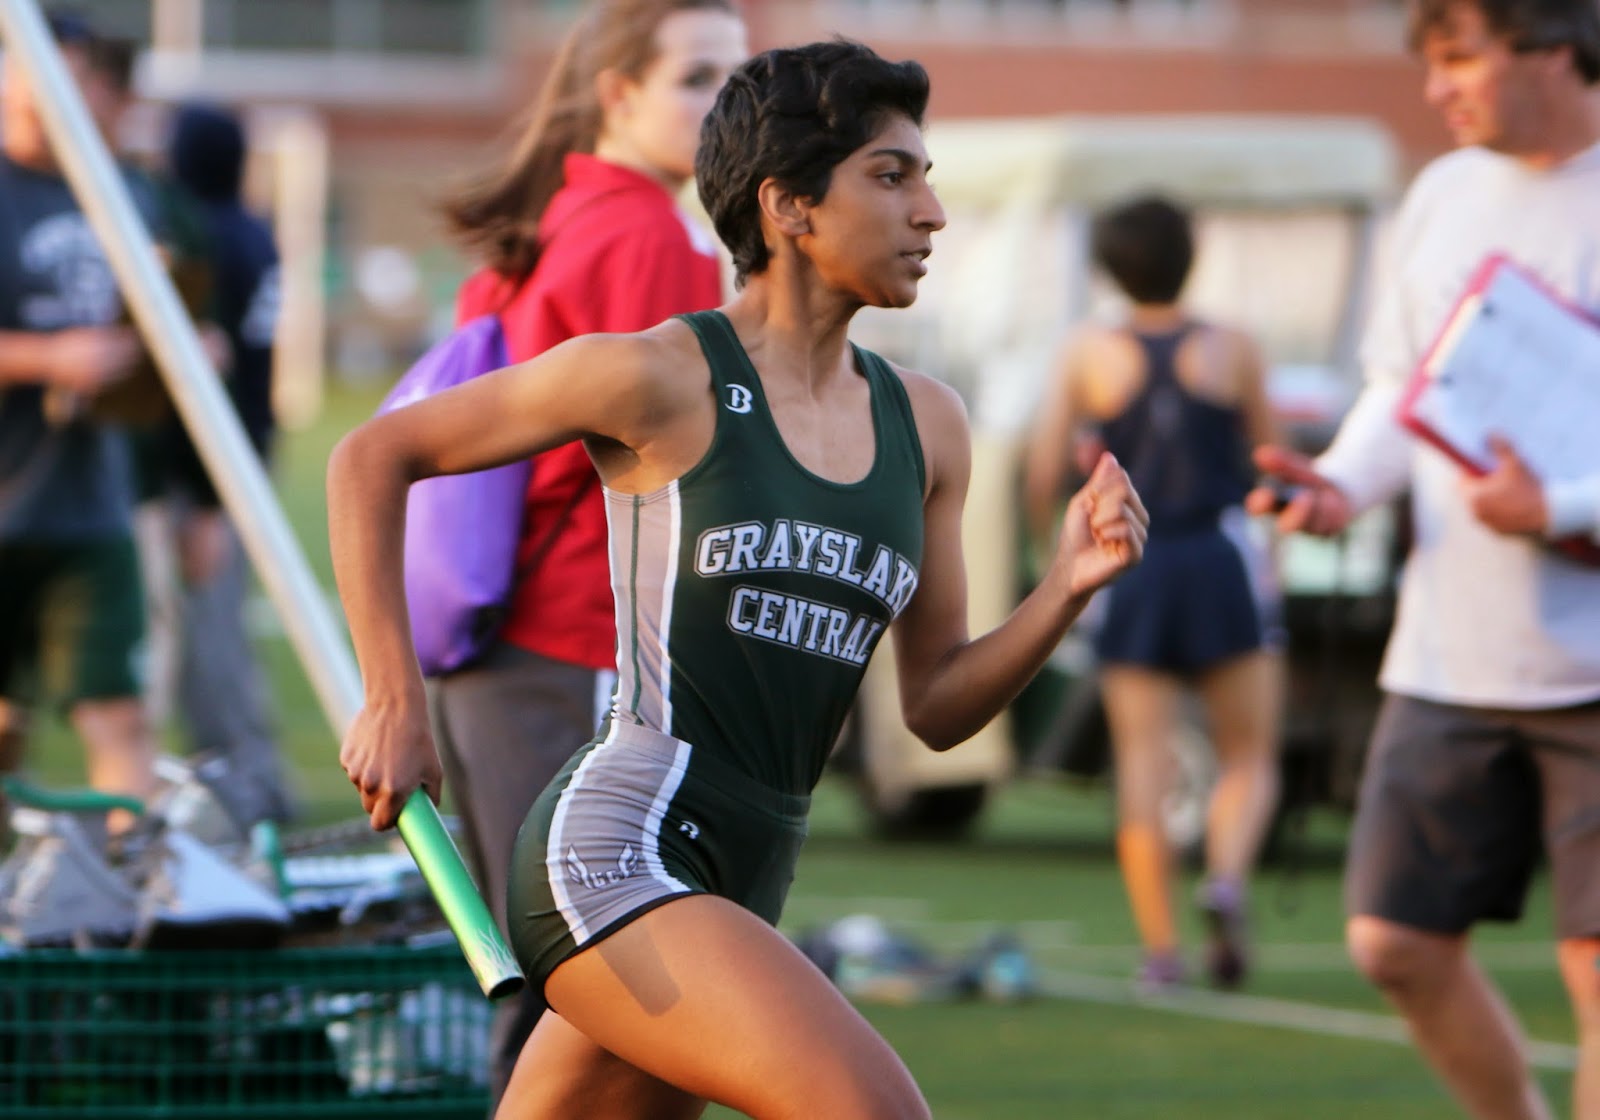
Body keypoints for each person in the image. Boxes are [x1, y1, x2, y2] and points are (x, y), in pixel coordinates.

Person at [331, 39, 1148, 1120]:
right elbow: (371, 458)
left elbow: (939, 705)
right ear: (789, 208)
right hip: (620, 848)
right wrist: (395, 700)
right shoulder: (656, 374)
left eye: (927, 177)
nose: (932, 213)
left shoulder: (928, 425)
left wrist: (1063, 590)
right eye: (891, 176)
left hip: (750, 877)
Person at [1248, 2, 1600, 1117]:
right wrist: (1342, 483)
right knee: (1393, 940)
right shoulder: (1443, 193)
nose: (1436, 89)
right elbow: (1404, 393)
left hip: (1594, 669)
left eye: (1460, 59)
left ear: (1552, 45)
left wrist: (1563, 506)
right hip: (1449, 651)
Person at [428, 0, 746, 1106]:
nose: (723, 111)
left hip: (489, 640)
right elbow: (691, 471)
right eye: (697, 78)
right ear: (618, 93)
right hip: (565, 642)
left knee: (546, 978)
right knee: (598, 980)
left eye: (735, 81)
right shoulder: (644, 236)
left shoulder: (559, 212)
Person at [1024, 193, 1284, 992]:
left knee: (1143, 758)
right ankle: (1228, 874)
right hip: (1216, 554)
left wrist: (1055, 560)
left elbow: (1041, 474)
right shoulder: (1233, 347)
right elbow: (1272, 459)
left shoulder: (1087, 352)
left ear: (1110, 267)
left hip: (1131, 561)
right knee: (1250, 753)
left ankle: (1162, 950)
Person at [0, 11, 162, 829]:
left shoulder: (122, 190)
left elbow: (161, 308)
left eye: (70, 81)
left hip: (90, 505)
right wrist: (49, 358)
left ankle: (140, 908)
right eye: (35, 76)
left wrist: (179, 339)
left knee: (119, 714)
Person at [151, 101, 292, 829]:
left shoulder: (211, 240)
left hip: (215, 462)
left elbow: (219, 379)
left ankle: (247, 785)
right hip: (247, 451)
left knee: (208, 636)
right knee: (212, 628)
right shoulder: (254, 232)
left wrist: (206, 499)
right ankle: (248, 776)